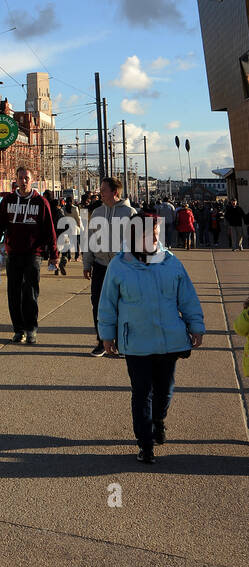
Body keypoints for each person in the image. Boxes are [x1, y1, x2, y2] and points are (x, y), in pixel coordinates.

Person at [97, 204, 204, 464]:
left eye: (156, 233)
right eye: (148, 234)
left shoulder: (171, 263)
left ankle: (159, 421)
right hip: (136, 341)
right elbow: (107, 304)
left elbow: (187, 298)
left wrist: (196, 326)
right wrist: (107, 335)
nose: (154, 238)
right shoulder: (119, 266)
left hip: (169, 341)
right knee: (141, 392)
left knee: (165, 390)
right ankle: (145, 443)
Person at [0, 165, 56, 345]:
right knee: (14, 293)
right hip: (13, 253)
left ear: (32, 180)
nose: (24, 181)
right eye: (20, 178)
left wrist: (54, 254)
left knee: (30, 292)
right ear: (16, 180)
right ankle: (18, 330)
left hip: (33, 254)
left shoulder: (41, 202)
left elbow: (49, 229)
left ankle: (31, 329)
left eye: (26, 178)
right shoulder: (8, 200)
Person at [84, 176, 134, 356]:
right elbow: (89, 239)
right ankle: (101, 341)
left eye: (103, 190)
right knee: (97, 304)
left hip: (121, 268)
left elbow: (136, 244)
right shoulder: (97, 213)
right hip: (100, 266)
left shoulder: (130, 213)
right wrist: (86, 263)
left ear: (115, 192)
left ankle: (121, 343)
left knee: (122, 306)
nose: (100, 193)